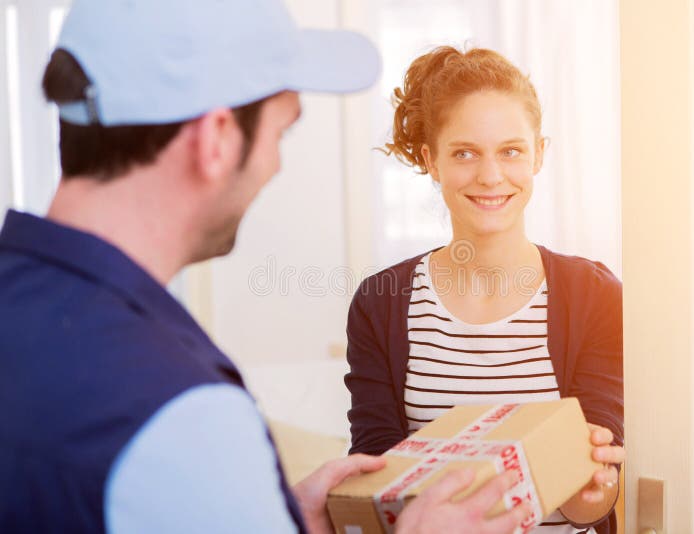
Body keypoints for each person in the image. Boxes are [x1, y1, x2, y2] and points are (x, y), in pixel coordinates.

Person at [0, 3, 533, 533]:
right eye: (281, 133)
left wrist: (274, 516)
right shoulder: (186, 417)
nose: (276, 165)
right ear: (216, 142)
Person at [345, 46, 625, 534]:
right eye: (465, 153)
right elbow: (377, 477)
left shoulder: (595, 296)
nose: (491, 176)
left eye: (511, 150)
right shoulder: (380, 303)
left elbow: (592, 501)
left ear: (540, 153)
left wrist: (593, 488)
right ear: (432, 161)